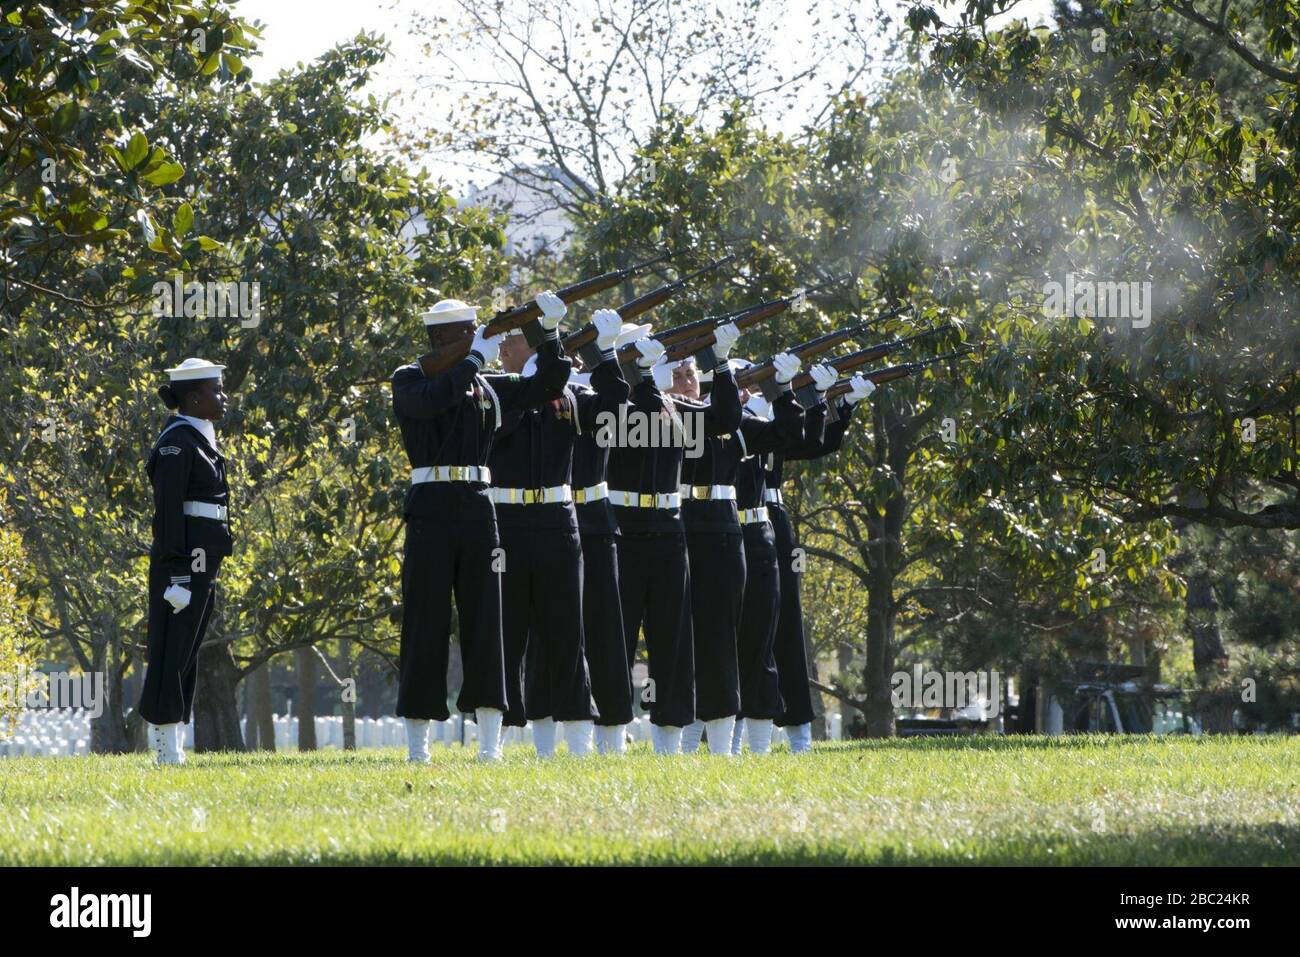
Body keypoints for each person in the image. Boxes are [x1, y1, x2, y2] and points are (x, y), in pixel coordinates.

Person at [390, 293, 570, 763]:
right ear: (443, 339)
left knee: (487, 625)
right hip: (430, 509)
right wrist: (472, 358)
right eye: (468, 334)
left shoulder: (488, 386)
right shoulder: (410, 378)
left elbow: (548, 383)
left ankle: (490, 745)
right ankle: (417, 747)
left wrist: (550, 335)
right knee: (424, 625)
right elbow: (433, 402)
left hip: (478, 509)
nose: (478, 342)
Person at [489, 307, 629, 757]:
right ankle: (495, 742)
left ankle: (578, 743)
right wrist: (544, 369)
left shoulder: (570, 396)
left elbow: (616, 413)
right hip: (506, 525)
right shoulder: (495, 389)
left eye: (514, 340)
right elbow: (505, 424)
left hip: (556, 521)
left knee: (567, 636)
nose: (504, 348)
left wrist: (605, 356)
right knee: (506, 637)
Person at [605, 323, 742, 754]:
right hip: (623, 531)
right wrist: (639, 374)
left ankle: (668, 740)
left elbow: (726, 418)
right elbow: (639, 409)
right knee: (616, 638)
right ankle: (610, 736)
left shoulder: (673, 408)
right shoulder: (614, 405)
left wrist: (721, 364)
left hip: (668, 531)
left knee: (673, 642)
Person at [526, 320, 651, 756]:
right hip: (553, 517)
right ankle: (543, 735)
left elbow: (619, 403)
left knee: (605, 632)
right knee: (547, 634)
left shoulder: (591, 391)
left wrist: (604, 356)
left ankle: (613, 733)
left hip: (594, 519)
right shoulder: (540, 388)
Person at [675, 352, 804, 755]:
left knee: (756, 642)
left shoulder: (734, 425)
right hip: (685, 534)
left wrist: (781, 390)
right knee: (699, 644)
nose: (686, 383)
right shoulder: (663, 419)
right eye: (677, 377)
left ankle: (758, 744)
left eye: (691, 375)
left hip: (739, 535)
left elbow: (789, 434)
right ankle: (687, 742)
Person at [765, 364, 876, 752]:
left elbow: (815, 443)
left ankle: (797, 728)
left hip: (772, 519)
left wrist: (837, 405)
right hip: (722, 520)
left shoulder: (765, 419)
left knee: (788, 626)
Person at [137, 358, 234, 766]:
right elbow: (169, 513)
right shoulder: (178, 442)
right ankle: (163, 747)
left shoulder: (199, 437)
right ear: (193, 397)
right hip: (184, 561)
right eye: (215, 389)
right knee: (170, 650)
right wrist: (178, 570)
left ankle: (174, 744)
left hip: (202, 557)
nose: (223, 396)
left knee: (187, 650)